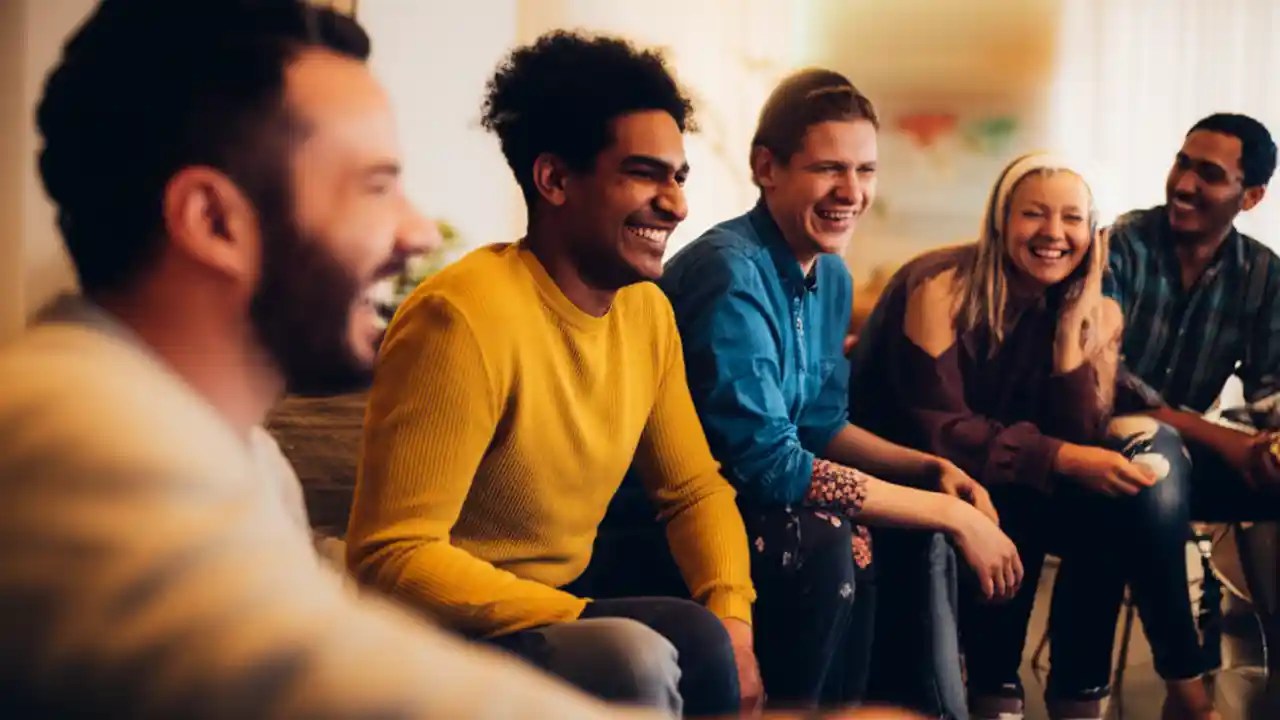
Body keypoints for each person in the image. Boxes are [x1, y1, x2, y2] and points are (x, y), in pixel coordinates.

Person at [0, 2, 668, 717]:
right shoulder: (69, 428)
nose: (417, 231)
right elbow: (304, 677)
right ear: (213, 221)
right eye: (373, 187)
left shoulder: (248, 458)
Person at [346, 31, 758, 718]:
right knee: (664, 643)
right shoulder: (462, 316)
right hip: (442, 631)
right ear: (556, 180)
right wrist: (580, 614)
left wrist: (734, 620)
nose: (676, 205)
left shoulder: (646, 314)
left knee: (733, 603)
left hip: (558, 601)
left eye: (678, 177)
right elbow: (393, 556)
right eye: (644, 173)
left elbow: (691, 491)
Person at [658, 69, 1021, 715]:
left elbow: (821, 424)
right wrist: (950, 513)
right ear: (766, 167)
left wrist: (932, 470)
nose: (851, 193)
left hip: (766, 502)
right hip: (680, 516)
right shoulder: (728, 271)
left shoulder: (831, 276)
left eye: (865, 170)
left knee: (909, 516)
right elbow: (769, 465)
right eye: (829, 168)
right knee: (836, 535)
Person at [850, 153, 1218, 720]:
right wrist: (1065, 457)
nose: (1052, 233)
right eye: (1034, 215)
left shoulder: (1101, 314)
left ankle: (1079, 697)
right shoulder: (941, 285)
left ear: (1092, 235)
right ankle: (996, 690)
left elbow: (1075, 444)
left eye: (1072, 219)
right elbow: (940, 429)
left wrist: (1072, 331)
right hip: (910, 471)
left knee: (1107, 509)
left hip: (1006, 474)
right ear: (1001, 221)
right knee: (1027, 493)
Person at [1105, 112, 1280, 693]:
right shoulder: (1122, 244)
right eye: (1183, 162)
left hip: (1190, 454)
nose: (1183, 184)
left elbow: (1270, 391)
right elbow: (1107, 381)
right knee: (1162, 461)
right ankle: (1188, 676)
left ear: (1250, 197)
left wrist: (1273, 442)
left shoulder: (1261, 276)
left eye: (1208, 173)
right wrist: (1226, 440)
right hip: (1101, 449)